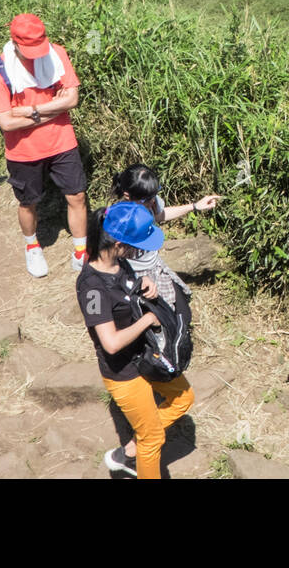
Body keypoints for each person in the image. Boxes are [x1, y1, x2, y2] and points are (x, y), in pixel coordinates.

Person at [77, 202, 195, 480]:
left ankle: (133, 447)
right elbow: (111, 343)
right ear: (118, 243)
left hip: (146, 356)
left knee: (183, 399)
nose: (140, 251)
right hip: (123, 374)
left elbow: (127, 292)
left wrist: (144, 285)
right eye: (136, 244)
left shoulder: (121, 264)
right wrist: (146, 321)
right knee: (153, 439)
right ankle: (141, 448)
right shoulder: (92, 287)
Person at [0, 13, 87, 277]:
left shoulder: (57, 54)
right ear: (15, 43)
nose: (36, 55)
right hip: (23, 150)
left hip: (62, 140)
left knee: (77, 195)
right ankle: (32, 246)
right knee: (28, 202)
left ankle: (81, 251)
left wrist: (28, 110)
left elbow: (72, 99)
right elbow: (6, 123)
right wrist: (53, 108)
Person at [110, 164, 220, 306]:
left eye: (154, 195)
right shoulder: (120, 220)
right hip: (133, 274)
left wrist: (194, 206)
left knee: (180, 305)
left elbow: (160, 215)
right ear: (127, 195)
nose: (152, 202)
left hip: (154, 266)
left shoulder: (150, 201)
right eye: (146, 199)